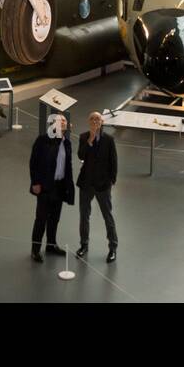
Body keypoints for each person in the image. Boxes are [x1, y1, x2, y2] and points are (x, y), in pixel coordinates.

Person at [28, 113, 75, 263]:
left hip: (60, 186)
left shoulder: (66, 143)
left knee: (55, 218)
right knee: (41, 219)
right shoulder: (43, 140)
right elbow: (33, 162)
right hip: (45, 186)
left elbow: (68, 166)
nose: (62, 123)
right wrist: (35, 182)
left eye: (64, 121)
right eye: (58, 121)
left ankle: (51, 245)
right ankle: (35, 250)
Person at [76, 111, 118, 262]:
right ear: (89, 122)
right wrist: (90, 140)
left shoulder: (109, 140)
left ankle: (113, 248)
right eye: (92, 119)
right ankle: (84, 245)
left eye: (97, 119)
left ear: (102, 122)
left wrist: (112, 180)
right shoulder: (83, 137)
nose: (95, 121)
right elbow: (81, 155)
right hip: (86, 183)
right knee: (84, 216)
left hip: (103, 184)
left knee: (108, 216)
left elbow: (113, 161)